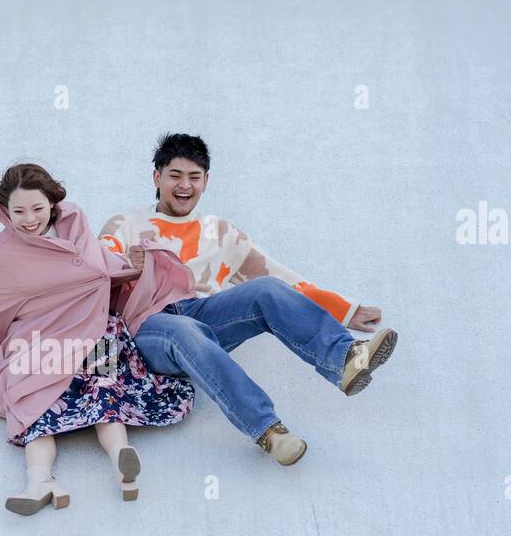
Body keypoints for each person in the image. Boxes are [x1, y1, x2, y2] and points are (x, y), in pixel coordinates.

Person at [98, 133, 399, 466]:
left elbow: (279, 276)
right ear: (157, 177)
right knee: (184, 330)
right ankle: (267, 429)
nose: (185, 186)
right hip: (148, 324)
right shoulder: (124, 225)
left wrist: (345, 309)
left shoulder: (221, 232)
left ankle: (345, 359)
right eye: (175, 175)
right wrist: (126, 268)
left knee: (265, 289)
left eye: (194, 177)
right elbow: (95, 276)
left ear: (206, 182)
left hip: (203, 315)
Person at [0, 163, 198, 515]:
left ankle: (118, 462)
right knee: (41, 400)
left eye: (37, 208)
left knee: (83, 391)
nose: (29, 219)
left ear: (52, 204)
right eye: (18, 211)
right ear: (4, 211)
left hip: (90, 328)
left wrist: (136, 265)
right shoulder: (1, 256)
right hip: (44, 336)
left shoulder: (74, 225)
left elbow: (100, 266)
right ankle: (46, 482)